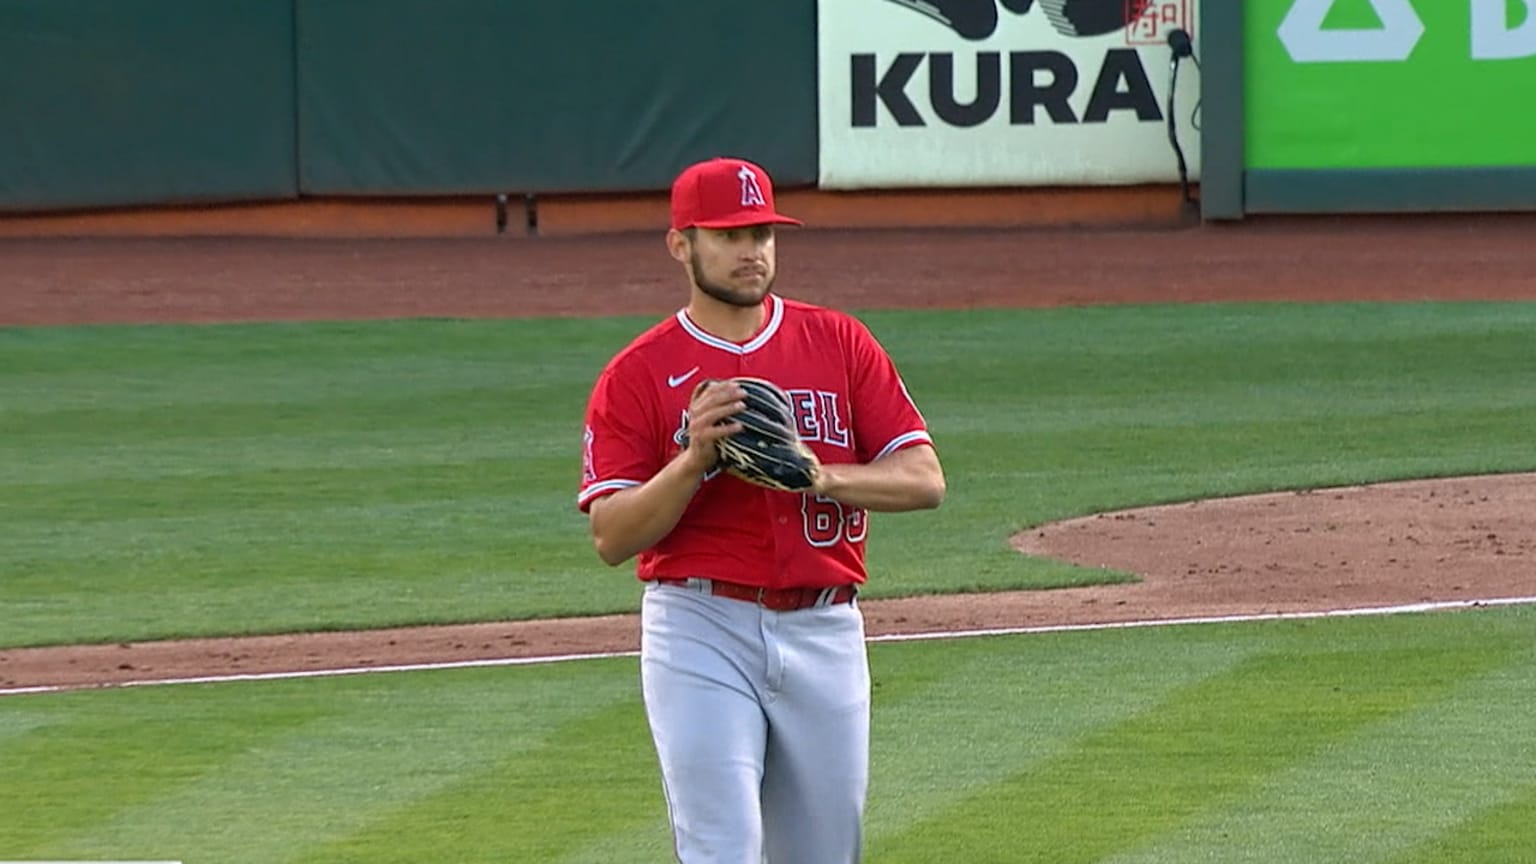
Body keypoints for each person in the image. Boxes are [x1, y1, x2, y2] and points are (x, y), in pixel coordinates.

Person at [577, 156, 946, 864]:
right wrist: (692, 460)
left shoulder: (837, 342)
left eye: (763, 233)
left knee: (824, 852)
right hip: (701, 627)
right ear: (681, 244)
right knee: (725, 848)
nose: (752, 251)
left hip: (826, 626)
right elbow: (611, 537)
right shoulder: (639, 373)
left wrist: (820, 475)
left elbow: (924, 479)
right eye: (730, 235)